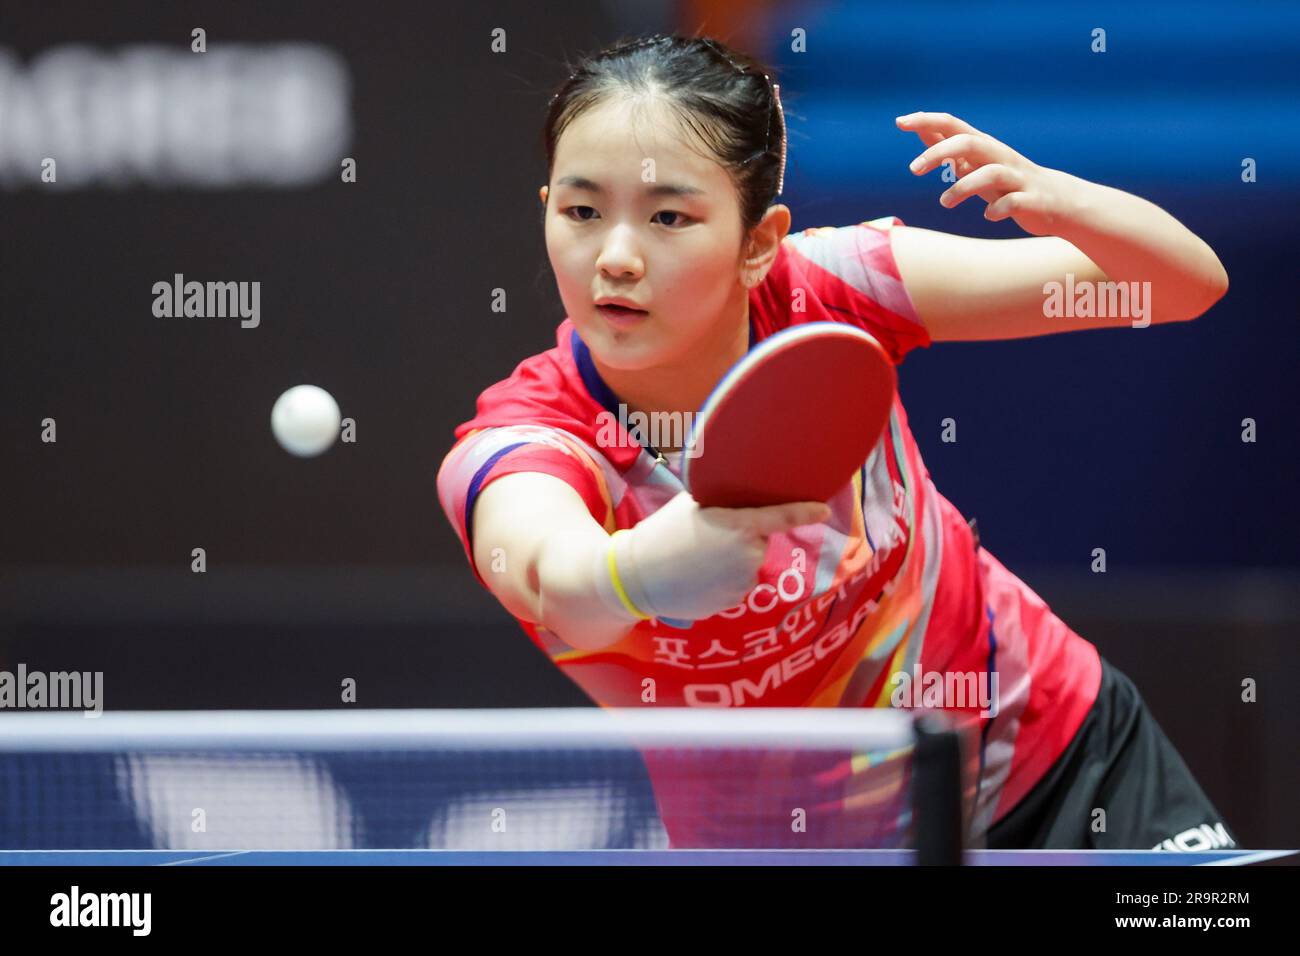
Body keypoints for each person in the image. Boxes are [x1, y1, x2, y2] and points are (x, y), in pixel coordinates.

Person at [436, 33, 1235, 851]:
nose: (615, 256)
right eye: (581, 211)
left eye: (669, 216)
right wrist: (638, 572)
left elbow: (1180, 287)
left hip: (1057, 755)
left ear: (758, 242)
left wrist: (1058, 201)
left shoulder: (840, 289)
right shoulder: (529, 433)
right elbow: (548, 577)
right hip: (799, 851)